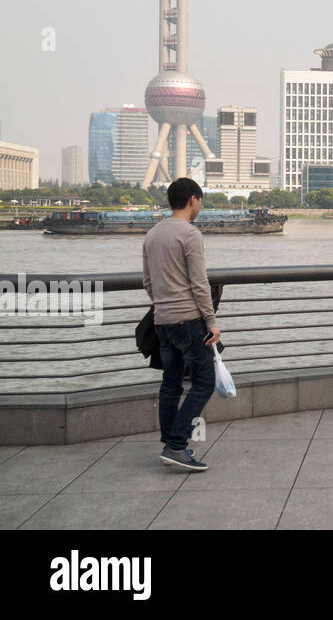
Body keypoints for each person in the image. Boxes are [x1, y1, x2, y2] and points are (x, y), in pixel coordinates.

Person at [142, 177, 221, 472]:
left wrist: (162, 303)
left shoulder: (152, 234)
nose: (200, 206)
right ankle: (176, 445)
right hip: (188, 322)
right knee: (204, 382)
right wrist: (211, 322)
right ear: (192, 200)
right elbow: (199, 284)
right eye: (200, 201)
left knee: (171, 384)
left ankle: (169, 443)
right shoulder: (189, 234)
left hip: (162, 320)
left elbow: (148, 282)